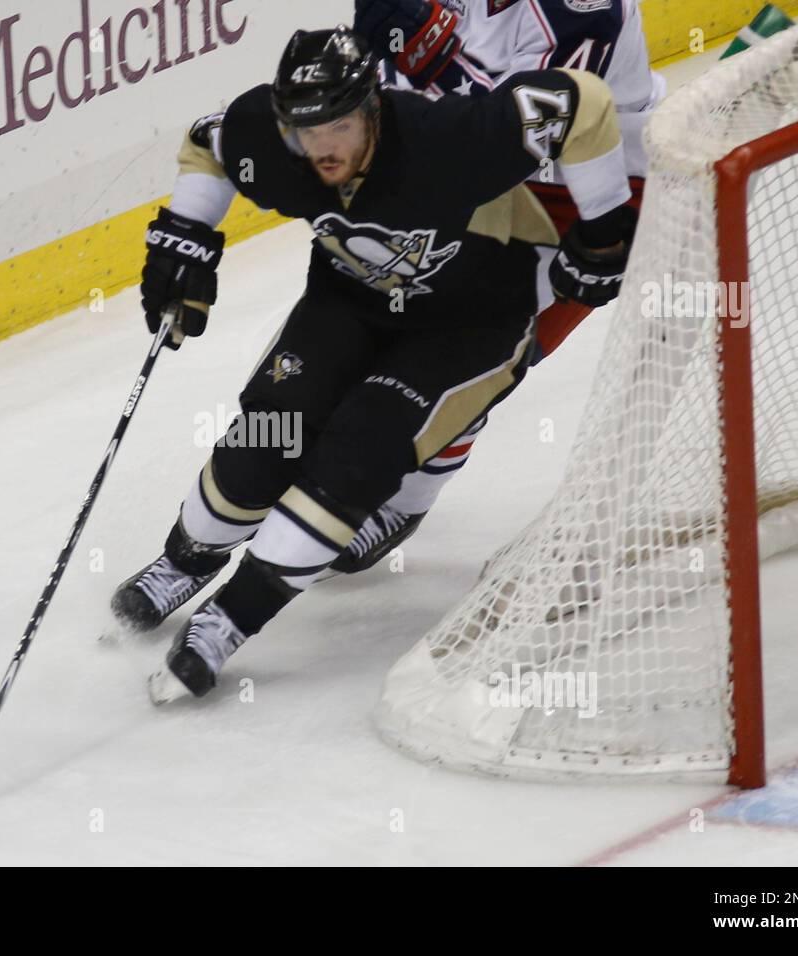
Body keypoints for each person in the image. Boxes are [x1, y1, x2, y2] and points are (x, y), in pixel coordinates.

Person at [112, 26, 637, 703]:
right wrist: (185, 235)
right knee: (266, 437)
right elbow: (208, 143)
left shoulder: (451, 140)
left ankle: (228, 621)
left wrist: (603, 234)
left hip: (469, 323)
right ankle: (187, 561)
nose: (320, 146)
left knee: (353, 459)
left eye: (337, 125)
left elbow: (585, 102)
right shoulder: (271, 142)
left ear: (372, 110)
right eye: (304, 129)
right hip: (351, 300)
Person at [328, 0, 663, 574]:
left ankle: (406, 504)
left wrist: (429, 57)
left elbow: (536, 124)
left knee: (486, 355)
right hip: (484, 179)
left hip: (595, 191)